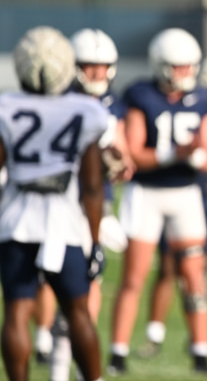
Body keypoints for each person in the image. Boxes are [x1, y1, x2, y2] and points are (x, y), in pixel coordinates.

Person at [0, 26, 107, 381]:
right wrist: (94, 239)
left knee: (16, 311)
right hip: (64, 222)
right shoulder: (86, 109)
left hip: (16, 220)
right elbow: (92, 187)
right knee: (78, 311)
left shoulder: (6, 106)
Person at [108, 27, 207, 375]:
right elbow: (137, 154)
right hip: (147, 193)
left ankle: (201, 350)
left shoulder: (203, 99)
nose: (185, 73)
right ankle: (117, 351)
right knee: (134, 276)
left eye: (189, 66)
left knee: (193, 275)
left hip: (185, 193)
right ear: (160, 64)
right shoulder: (141, 95)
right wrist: (178, 152)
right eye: (177, 66)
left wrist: (198, 157)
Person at [138, 52, 207, 357]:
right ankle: (155, 334)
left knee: (196, 270)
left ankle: (198, 342)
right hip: (183, 188)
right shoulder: (198, 108)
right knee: (168, 265)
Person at [44, 27, 134, 381]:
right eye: (89, 66)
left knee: (85, 288)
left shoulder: (111, 104)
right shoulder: (58, 98)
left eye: (102, 66)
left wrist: (119, 161)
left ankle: (68, 369)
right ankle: (55, 361)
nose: (97, 74)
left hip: (94, 208)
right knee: (52, 286)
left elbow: (122, 152)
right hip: (58, 205)